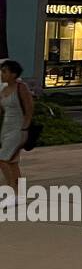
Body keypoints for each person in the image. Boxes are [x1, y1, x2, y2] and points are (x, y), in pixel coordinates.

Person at [0, 60, 35, 190]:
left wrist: (25, 128)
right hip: (6, 128)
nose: (1, 75)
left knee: (2, 159)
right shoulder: (3, 89)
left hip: (18, 128)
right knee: (12, 162)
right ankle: (18, 192)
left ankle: (11, 188)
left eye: (4, 72)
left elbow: (29, 108)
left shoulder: (21, 87)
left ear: (13, 74)